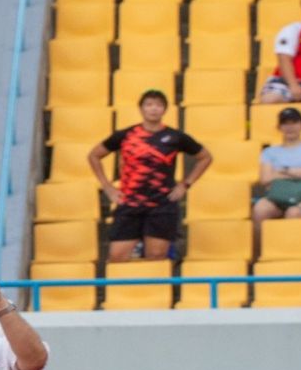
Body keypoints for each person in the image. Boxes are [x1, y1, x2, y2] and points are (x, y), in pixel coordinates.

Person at [88, 90, 212, 262]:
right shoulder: (125, 135)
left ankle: (155, 289)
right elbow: (94, 155)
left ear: (165, 110)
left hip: (162, 204)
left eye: (159, 105)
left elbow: (205, 157)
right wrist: (107, 187)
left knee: (156, 256)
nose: (154, 109)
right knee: (117, 256)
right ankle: (123, 289)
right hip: (130, 202)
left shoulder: (175, 137)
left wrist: (185, 184)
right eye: (149, 104)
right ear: (141, 109)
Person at [253, 108, 301, 239]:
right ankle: (262, 252)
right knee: (260, 210)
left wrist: (285, 171)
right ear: (279, 127)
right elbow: (265, 179)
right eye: (285, 123)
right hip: (278, 196)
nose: (290, 127)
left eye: (294, 122)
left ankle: (290, 253)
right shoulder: (269, 152)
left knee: (294, 212)